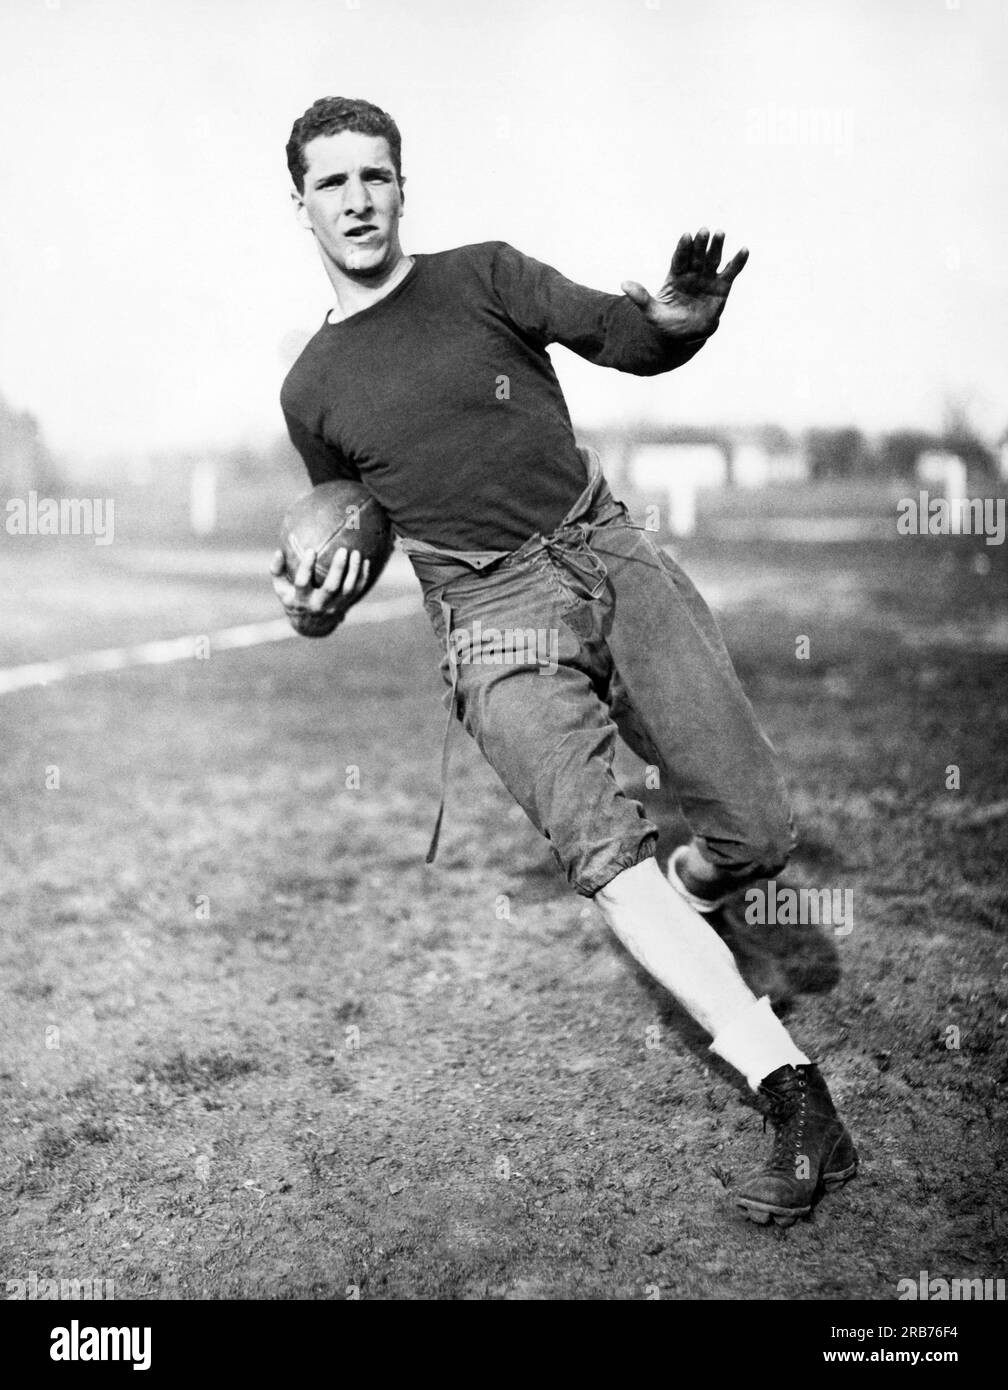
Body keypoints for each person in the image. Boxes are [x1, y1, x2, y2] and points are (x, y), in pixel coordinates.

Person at [270, 96, 857, 1226]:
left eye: (374, 177)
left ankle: (699, 893)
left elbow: (621, 335)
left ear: (403, 186)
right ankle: (793, 1092)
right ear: (299, 202)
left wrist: (682, 319)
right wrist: (308, 608)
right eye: (332, 182)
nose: (356, 199)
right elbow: (349, 542)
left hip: (606, 552)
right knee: (607, 852)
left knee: (758, 833)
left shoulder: (484, 275)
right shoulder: (313, 389)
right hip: (491, 617)